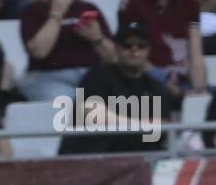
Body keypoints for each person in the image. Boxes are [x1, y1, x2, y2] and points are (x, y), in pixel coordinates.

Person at [58, 21, 182, 153]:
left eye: (141, 45)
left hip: (137, 162)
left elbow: (158, 133)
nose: (134, 50)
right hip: (90, 160)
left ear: (148, 51)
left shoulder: (155, 87)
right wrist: (145, 125)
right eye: (127, 45)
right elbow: (94, 117)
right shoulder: (97, 76)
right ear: (116, 48)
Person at [18, 0, 116, 103]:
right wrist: (56, 14)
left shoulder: (89, 7)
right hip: (47, 77)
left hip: (90, 75)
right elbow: (39, 51)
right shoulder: (33, 10)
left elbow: (113, 57)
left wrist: (97, 38)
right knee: (65, 106)